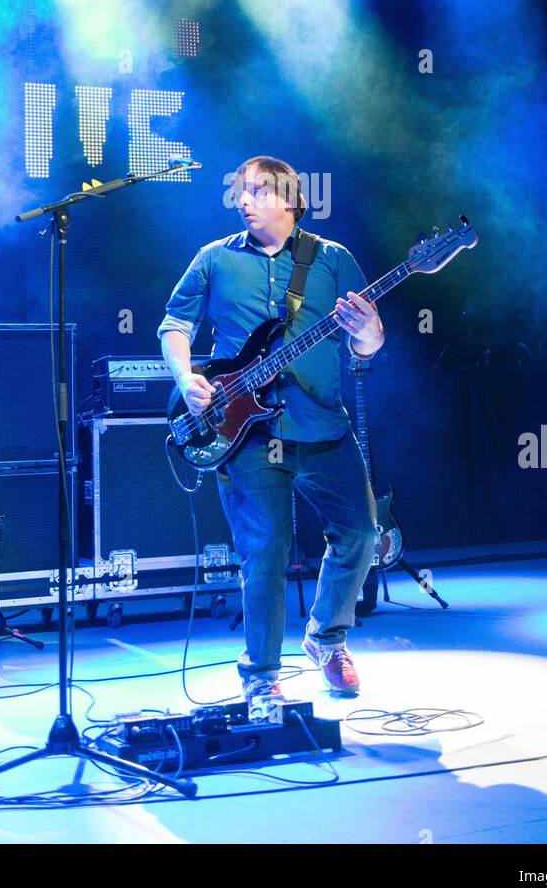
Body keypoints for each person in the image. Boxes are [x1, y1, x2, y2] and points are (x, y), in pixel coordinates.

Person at [158, 155, 384, 702]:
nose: (244, 199)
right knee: (265, 553)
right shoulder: (214, 259)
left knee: (361, 534)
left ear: (290, 199)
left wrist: (370, 329)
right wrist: (187, 378)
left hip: (322, 423)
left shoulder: (332, 260)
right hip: (244, 429)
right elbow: (174, 325)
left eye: (259, 191)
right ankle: (261, 679)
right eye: (241, 191)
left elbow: (366, 344)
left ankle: (327, 639)